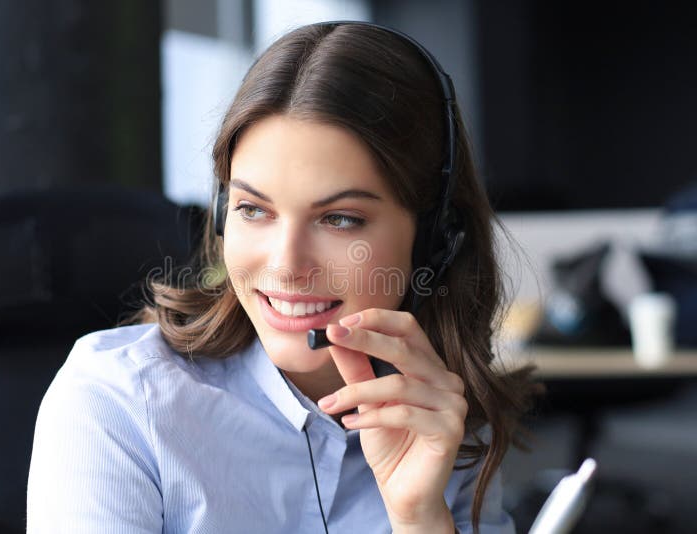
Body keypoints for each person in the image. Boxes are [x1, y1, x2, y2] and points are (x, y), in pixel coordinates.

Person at [27, 21, 536, 534]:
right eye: (253, 209)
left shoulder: (443, 422)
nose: (286, 265)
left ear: (436, 241)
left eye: (340, 219)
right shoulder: (119, 403)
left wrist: (420, 519)